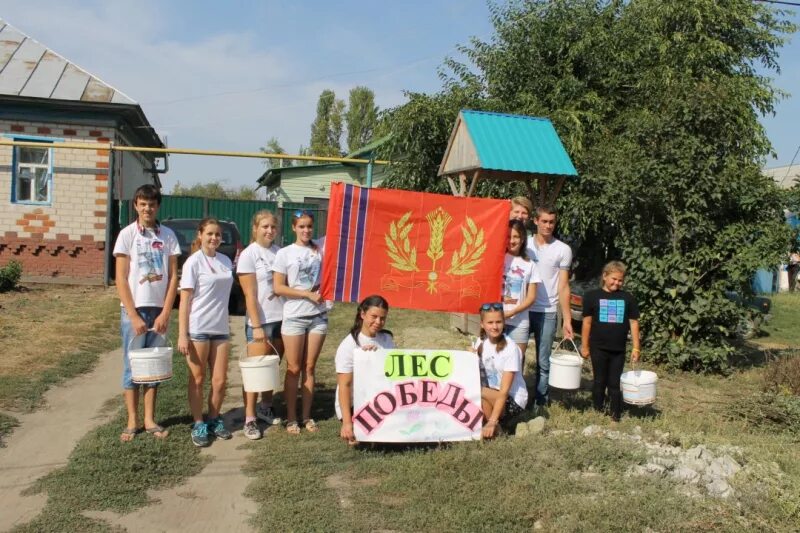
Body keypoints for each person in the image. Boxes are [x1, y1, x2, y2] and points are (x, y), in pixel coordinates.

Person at [113, 184, 180, 442]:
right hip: (135, 310)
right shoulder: (127, 235)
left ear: (157, 206)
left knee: (153, 367)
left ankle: (150, 419)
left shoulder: (168, 236)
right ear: (136, 206)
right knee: (132, 368)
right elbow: (120, 277)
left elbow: (174, 276)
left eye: (152, 204)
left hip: (158, 310)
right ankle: (132, 420)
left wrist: (166, 313)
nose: (147, 208)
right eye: (143, 204)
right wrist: (132, 315)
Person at [178, 218, 234, 447]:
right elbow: (184, 301)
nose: (214, 238)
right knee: (198, 379)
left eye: (218, 234)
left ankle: (214, 418)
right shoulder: (193, 263)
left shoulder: (225, 261)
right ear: (200, 235)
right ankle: (199, 422)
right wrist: (183, 333)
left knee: (220, 381)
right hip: (199, 328)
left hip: (221, 329)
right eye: (210, 233)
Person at [273, 210, 327, 434]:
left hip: (318, 316)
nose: (306, 230)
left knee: (310, 367)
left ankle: (307, 416)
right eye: (301, 226)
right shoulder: (284, 253)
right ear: (293, 228)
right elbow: (278, 287)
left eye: (309, 227)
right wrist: (306, 294)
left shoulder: (320, 248)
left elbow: (342, 231)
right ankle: (291, 417)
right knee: (294, 368)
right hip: (294, 316)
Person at [236, 210, 284, 440]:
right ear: (255, 228)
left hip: (281, 319)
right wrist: (256, 325)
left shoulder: (279, 253)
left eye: (273, 227)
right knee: (254, 372)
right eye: (265, 226)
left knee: (271, 368)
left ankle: (266, 406)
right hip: (261, 322)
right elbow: (250, 295)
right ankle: (249, 418)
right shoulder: (249, 255)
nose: (269, 231)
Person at [580, 261, 641, 422]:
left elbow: (634, 323)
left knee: (614, 383)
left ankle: (616, 414)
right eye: (614, 279)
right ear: (605, 276)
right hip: (598, 348)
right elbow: (586, 323)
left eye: (620, 280)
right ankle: (597, 410)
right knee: (599, 380)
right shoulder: (592, 296)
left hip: (618, 350)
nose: (617, 283)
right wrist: (584, 345)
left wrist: (636, 348)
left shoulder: (628, 298)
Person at [528, 205, 573, 409]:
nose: (548, 225)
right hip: (522, 309)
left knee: (543, 361)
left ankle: (540, 402)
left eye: (551, 222)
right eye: (544, 221)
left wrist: (567, 320)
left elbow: (564, 286)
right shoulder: (523, 244)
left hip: (547, 311)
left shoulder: (563, 250)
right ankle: (514, 400)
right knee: (514, 357)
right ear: (535, 221)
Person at [335, 295, 395, 445]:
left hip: (381, 397)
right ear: (362, 314)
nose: (378, 322)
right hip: (357, 401)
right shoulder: (348, 345)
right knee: (370, 439)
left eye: (382, 318)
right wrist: (347, 423)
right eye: (373, 317)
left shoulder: (387, 340)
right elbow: (344, 386)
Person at [474, 303, 528, 439]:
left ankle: (493, 424)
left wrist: (492, 421)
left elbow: (504, 391)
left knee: (475, 391)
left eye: (498, 322)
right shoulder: (480, 342)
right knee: (479, 396)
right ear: (482, 324)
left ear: (504, 322)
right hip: (491, 394)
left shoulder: (511, 348)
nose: (494, 326)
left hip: (513, 399)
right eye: (490, 322)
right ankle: (498, 431)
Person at [502, 219, 541, 360]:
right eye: (508, 236)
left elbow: (531, 298)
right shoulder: (497, 259)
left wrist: (511, 312)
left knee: (515, 364)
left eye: (516, 237)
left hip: (519, 323)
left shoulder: (531, 265)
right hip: (496, 320)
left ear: (523, 238)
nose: (511, 241)